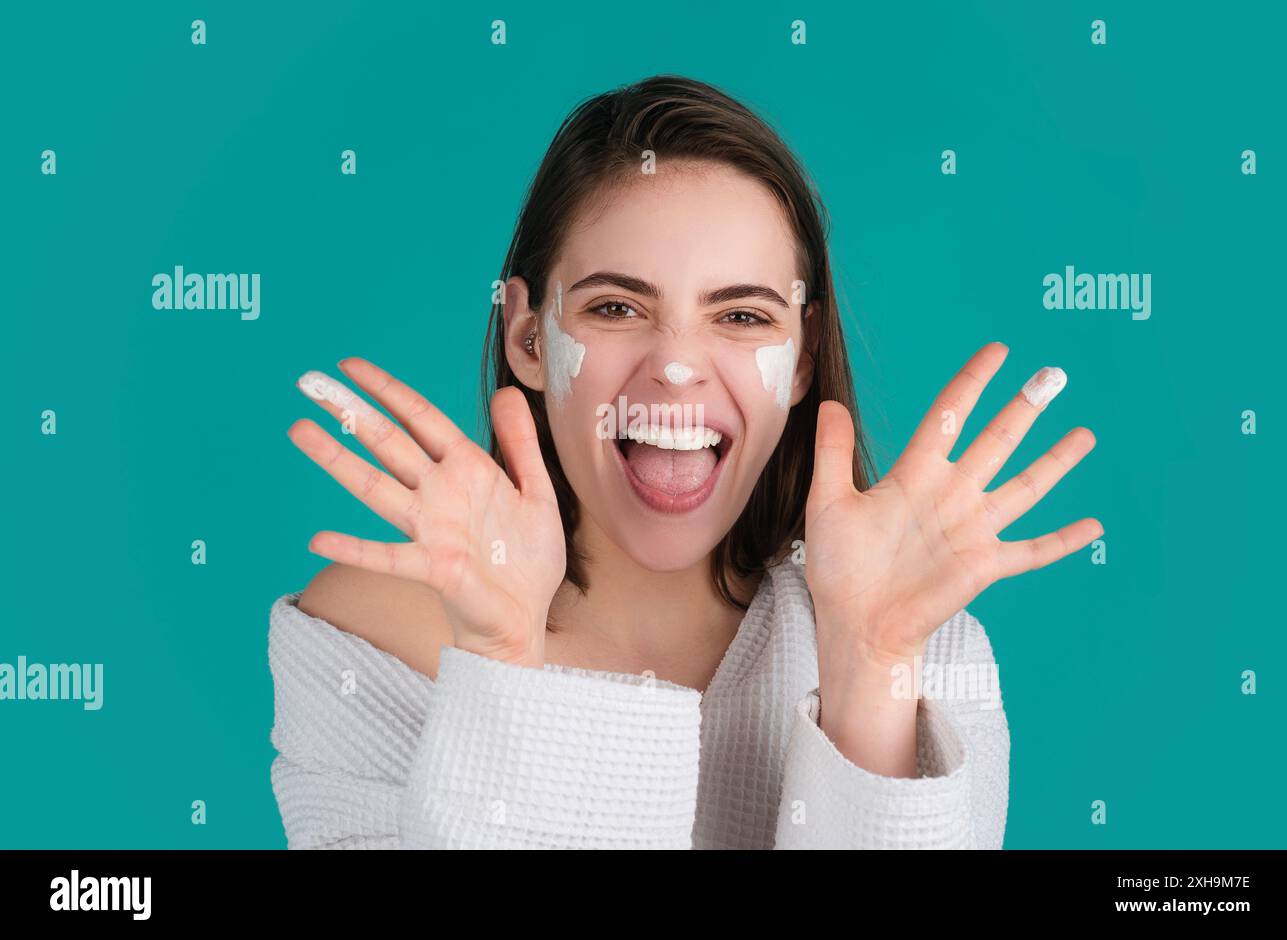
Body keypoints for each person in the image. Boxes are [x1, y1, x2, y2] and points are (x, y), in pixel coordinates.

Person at [268, 74, 1100, 849]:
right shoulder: (372, 636)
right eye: (615, 307)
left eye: (741, 317)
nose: (674, 366)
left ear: (803, 358)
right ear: (528, 336)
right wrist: (503, 660)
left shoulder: (920, 641)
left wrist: (870, 666)